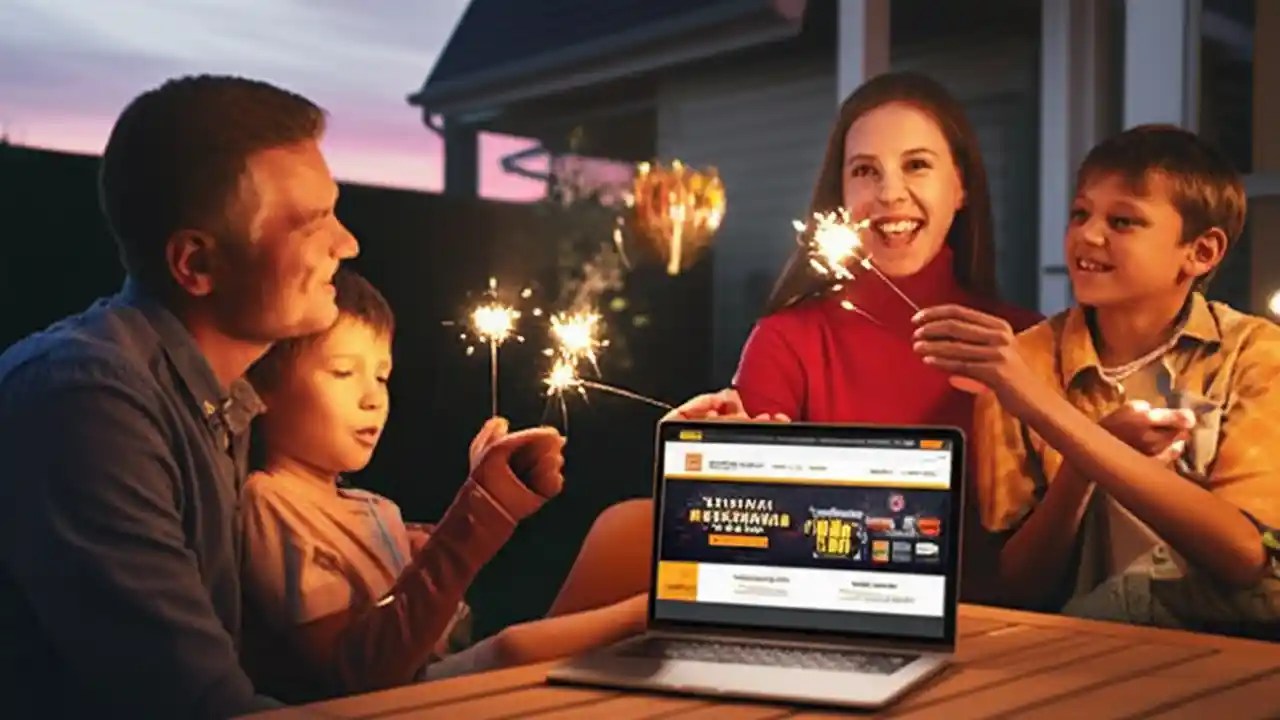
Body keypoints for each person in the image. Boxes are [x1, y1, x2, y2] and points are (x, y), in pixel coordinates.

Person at [0, 75, 358, 717]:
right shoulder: (87, 404)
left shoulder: (215, 402)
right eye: (312, 223)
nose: (347, 244)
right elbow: (197, 705)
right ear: (195, 264)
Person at [914, 124, 1280, 638]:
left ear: (1201, 252)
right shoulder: (1021, 361)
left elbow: (1245, 556)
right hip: (1074, 653)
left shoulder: (1255, 354)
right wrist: (1084, 464)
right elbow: (1020, 586)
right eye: (1080, 213)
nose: (1087, 235)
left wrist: (1050, 412)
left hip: (1228, 659)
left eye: (1124, 220)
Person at [240, 269, 649, 702]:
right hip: (398, 702)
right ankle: (656, 618)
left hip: (448, 668)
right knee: (518, 646)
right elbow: (353, 678)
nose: (373, 398)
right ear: (257, 388)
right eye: (343, 372)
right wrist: (482, 507)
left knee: (631, 528)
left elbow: (436, 608)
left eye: (381, 376)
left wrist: (474, 495)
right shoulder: (271, 501)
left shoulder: (371, 508)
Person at [736, 71, 1043, 603]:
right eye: (864, 171)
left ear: (961, 185)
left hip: (1000, 639)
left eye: (917, 165)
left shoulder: (1025, 340)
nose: (889, 194)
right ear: (840, 194)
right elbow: (746, 543)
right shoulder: (786, 340)